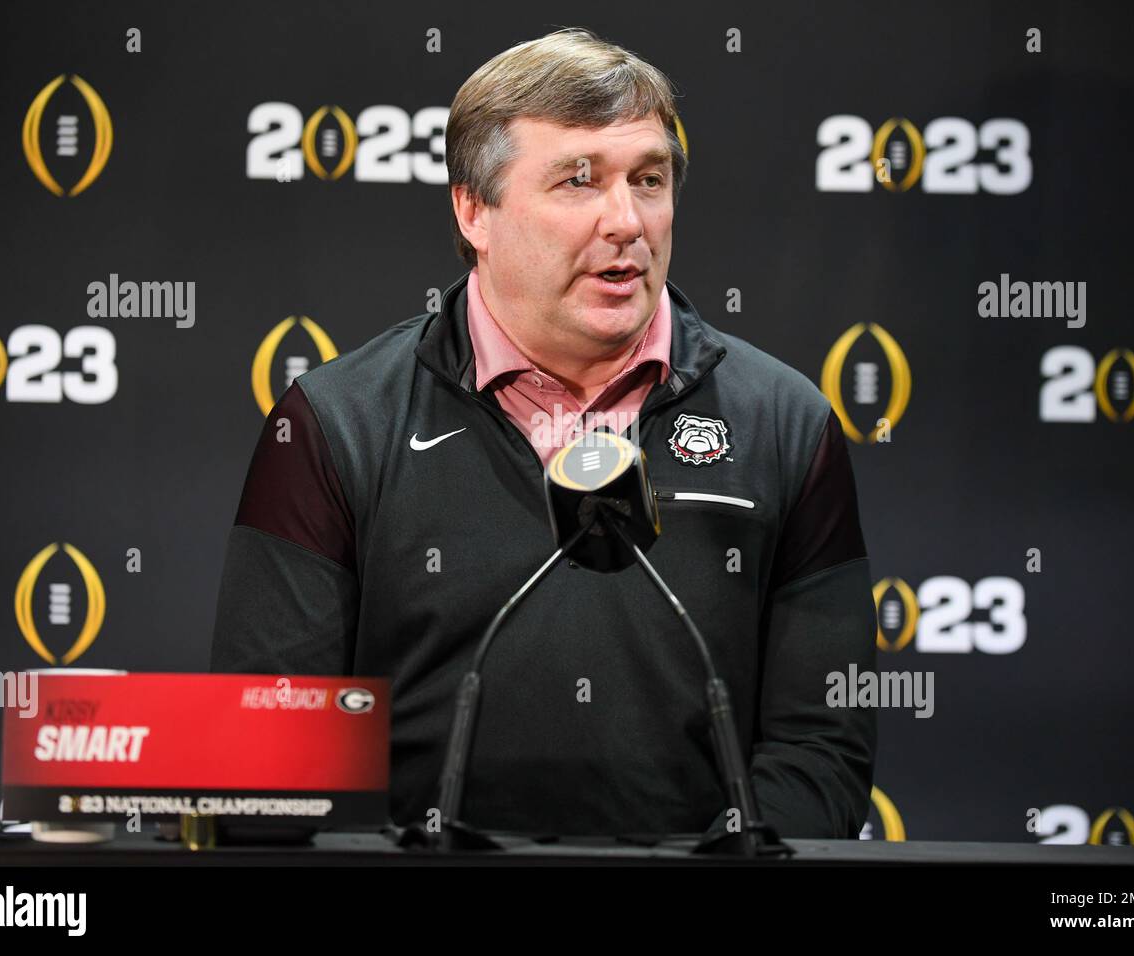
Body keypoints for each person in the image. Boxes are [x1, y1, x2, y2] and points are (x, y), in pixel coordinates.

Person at [210, 27, 877, 840]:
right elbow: (274, 761)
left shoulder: (786, 421)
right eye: (578, 181)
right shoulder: (335, 423)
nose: (627, 220)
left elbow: (823, 752)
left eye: (650, 179)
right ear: (473, 209)